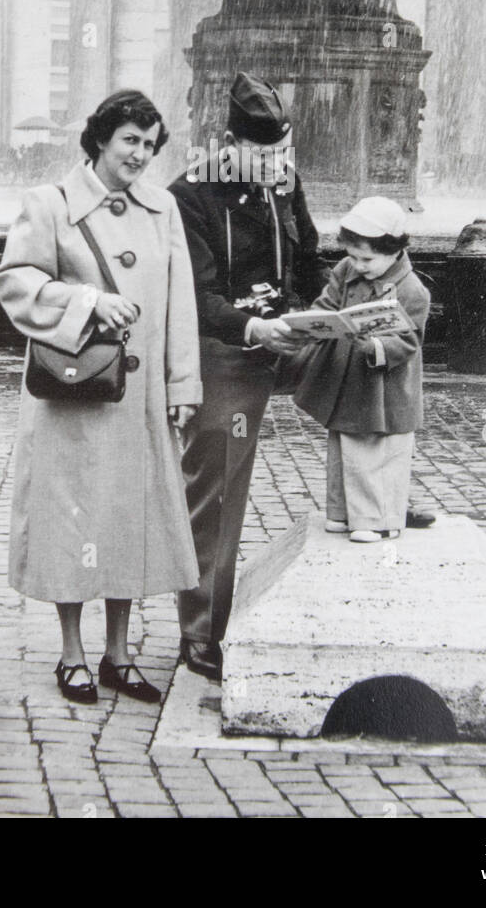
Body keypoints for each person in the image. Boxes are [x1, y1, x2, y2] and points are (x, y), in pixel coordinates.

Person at [0, 90, 201, 705]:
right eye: (129, 140)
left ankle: (118, 654)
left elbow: (181, 303)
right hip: (76, 393)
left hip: (139, 398)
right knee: (73, 518)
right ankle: (71, 654)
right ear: (101, 140)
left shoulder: (162, 209)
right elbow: (15, 280)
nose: (139, 154)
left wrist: (183, 384)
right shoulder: (50, 203)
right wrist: (87, 301)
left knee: (127, 519)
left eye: (149, 144)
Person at [169, 72, 328, 680]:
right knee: (217, 488)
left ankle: (377, 497)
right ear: (228, 144)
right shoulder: (191, 196)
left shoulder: (285, 183)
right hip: (226, 349)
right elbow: (196, 297)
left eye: (283, 152)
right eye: (262, 155)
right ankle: (203, 630)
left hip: (287, 337)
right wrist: (254, 328)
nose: (275, 166)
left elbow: (308, 260)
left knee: (372, 364)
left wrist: (337, 309)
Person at [286, 197, 431, 542]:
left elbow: (409, 341)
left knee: (375, 450)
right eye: (352, 256)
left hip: (383, 386)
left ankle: (374, 519)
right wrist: (312, 324)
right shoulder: (345, 270)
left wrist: (373, 344)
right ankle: (340, 512)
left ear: (393, 251)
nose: (358, 265)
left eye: (367, 259)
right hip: (346, 376)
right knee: (343, 445)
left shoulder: (412, 289)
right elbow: (327, 302)